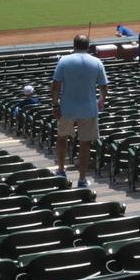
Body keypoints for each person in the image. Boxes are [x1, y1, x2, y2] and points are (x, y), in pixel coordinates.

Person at [52, 34, 108, 188]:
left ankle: (61, 171)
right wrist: (101, 100)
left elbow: (55, 86)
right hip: (89, 109)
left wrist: (55, 105)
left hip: (66, 108)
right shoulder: (97, 62)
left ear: (74, 45)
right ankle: (82, 179)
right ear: (88, 46)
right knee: (85, 144)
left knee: (62, 138)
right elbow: (104, 87)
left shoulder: (64, 60)